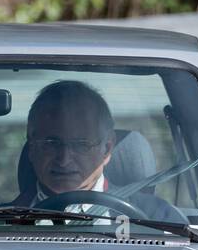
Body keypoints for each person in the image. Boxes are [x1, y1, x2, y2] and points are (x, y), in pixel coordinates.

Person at [12, 80, 184, 224]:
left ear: (107, 149)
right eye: (51, 143)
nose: (64, 159)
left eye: (81, 145)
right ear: (32, 147)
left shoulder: (159, 220)